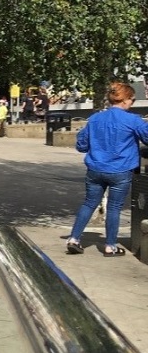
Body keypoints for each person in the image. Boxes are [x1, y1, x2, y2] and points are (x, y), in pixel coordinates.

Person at [66, 81, 148, 256]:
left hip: (95, 169)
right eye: (132, 100)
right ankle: (110, 246)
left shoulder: (95, 118)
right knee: (114, 208)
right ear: (125, 100)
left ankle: (74, 239)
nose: (132, 103)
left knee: (89, 203)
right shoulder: (133, 120)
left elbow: (81, 145)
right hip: (121, 170)